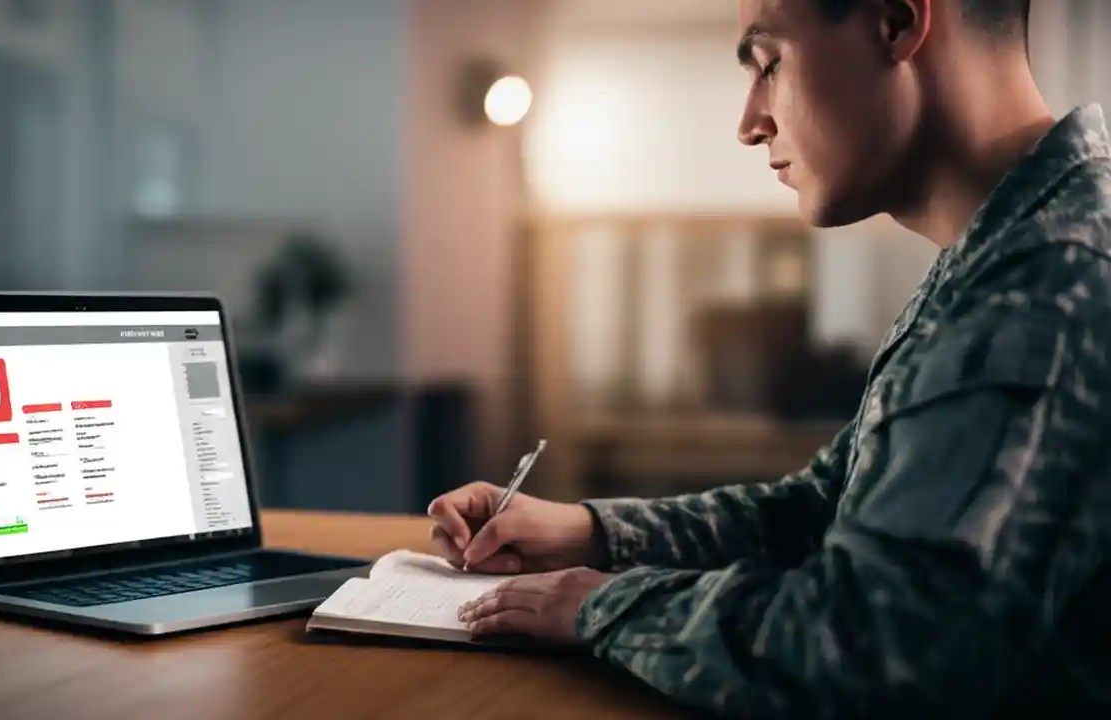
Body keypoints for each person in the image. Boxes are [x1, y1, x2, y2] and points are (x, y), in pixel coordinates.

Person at [431, 0, 1111, 716]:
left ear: (897, 22)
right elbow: (824, 506)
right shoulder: (1011, 249)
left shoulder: (1046, 286)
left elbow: (869, 647)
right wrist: (591, 533)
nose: (750, 122)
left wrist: (601, 605)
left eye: (770, 64)